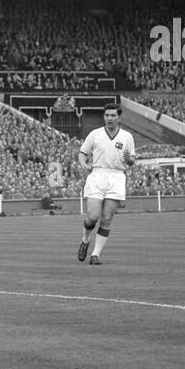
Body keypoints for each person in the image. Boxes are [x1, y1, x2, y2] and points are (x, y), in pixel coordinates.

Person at [76, 105, 136, 265]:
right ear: (104, 117)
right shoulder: (95, 134)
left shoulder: (127, 136)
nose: (110, 118)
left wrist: (130, 159)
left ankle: (95, 255)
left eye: (113, 115)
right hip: (97, 174)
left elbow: (132, 160)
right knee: (93, 217)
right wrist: (83, 165)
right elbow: (82, 153)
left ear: (119, 118)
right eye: (107, 115)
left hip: (116, 176)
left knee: (107, 218)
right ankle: (85, 239)